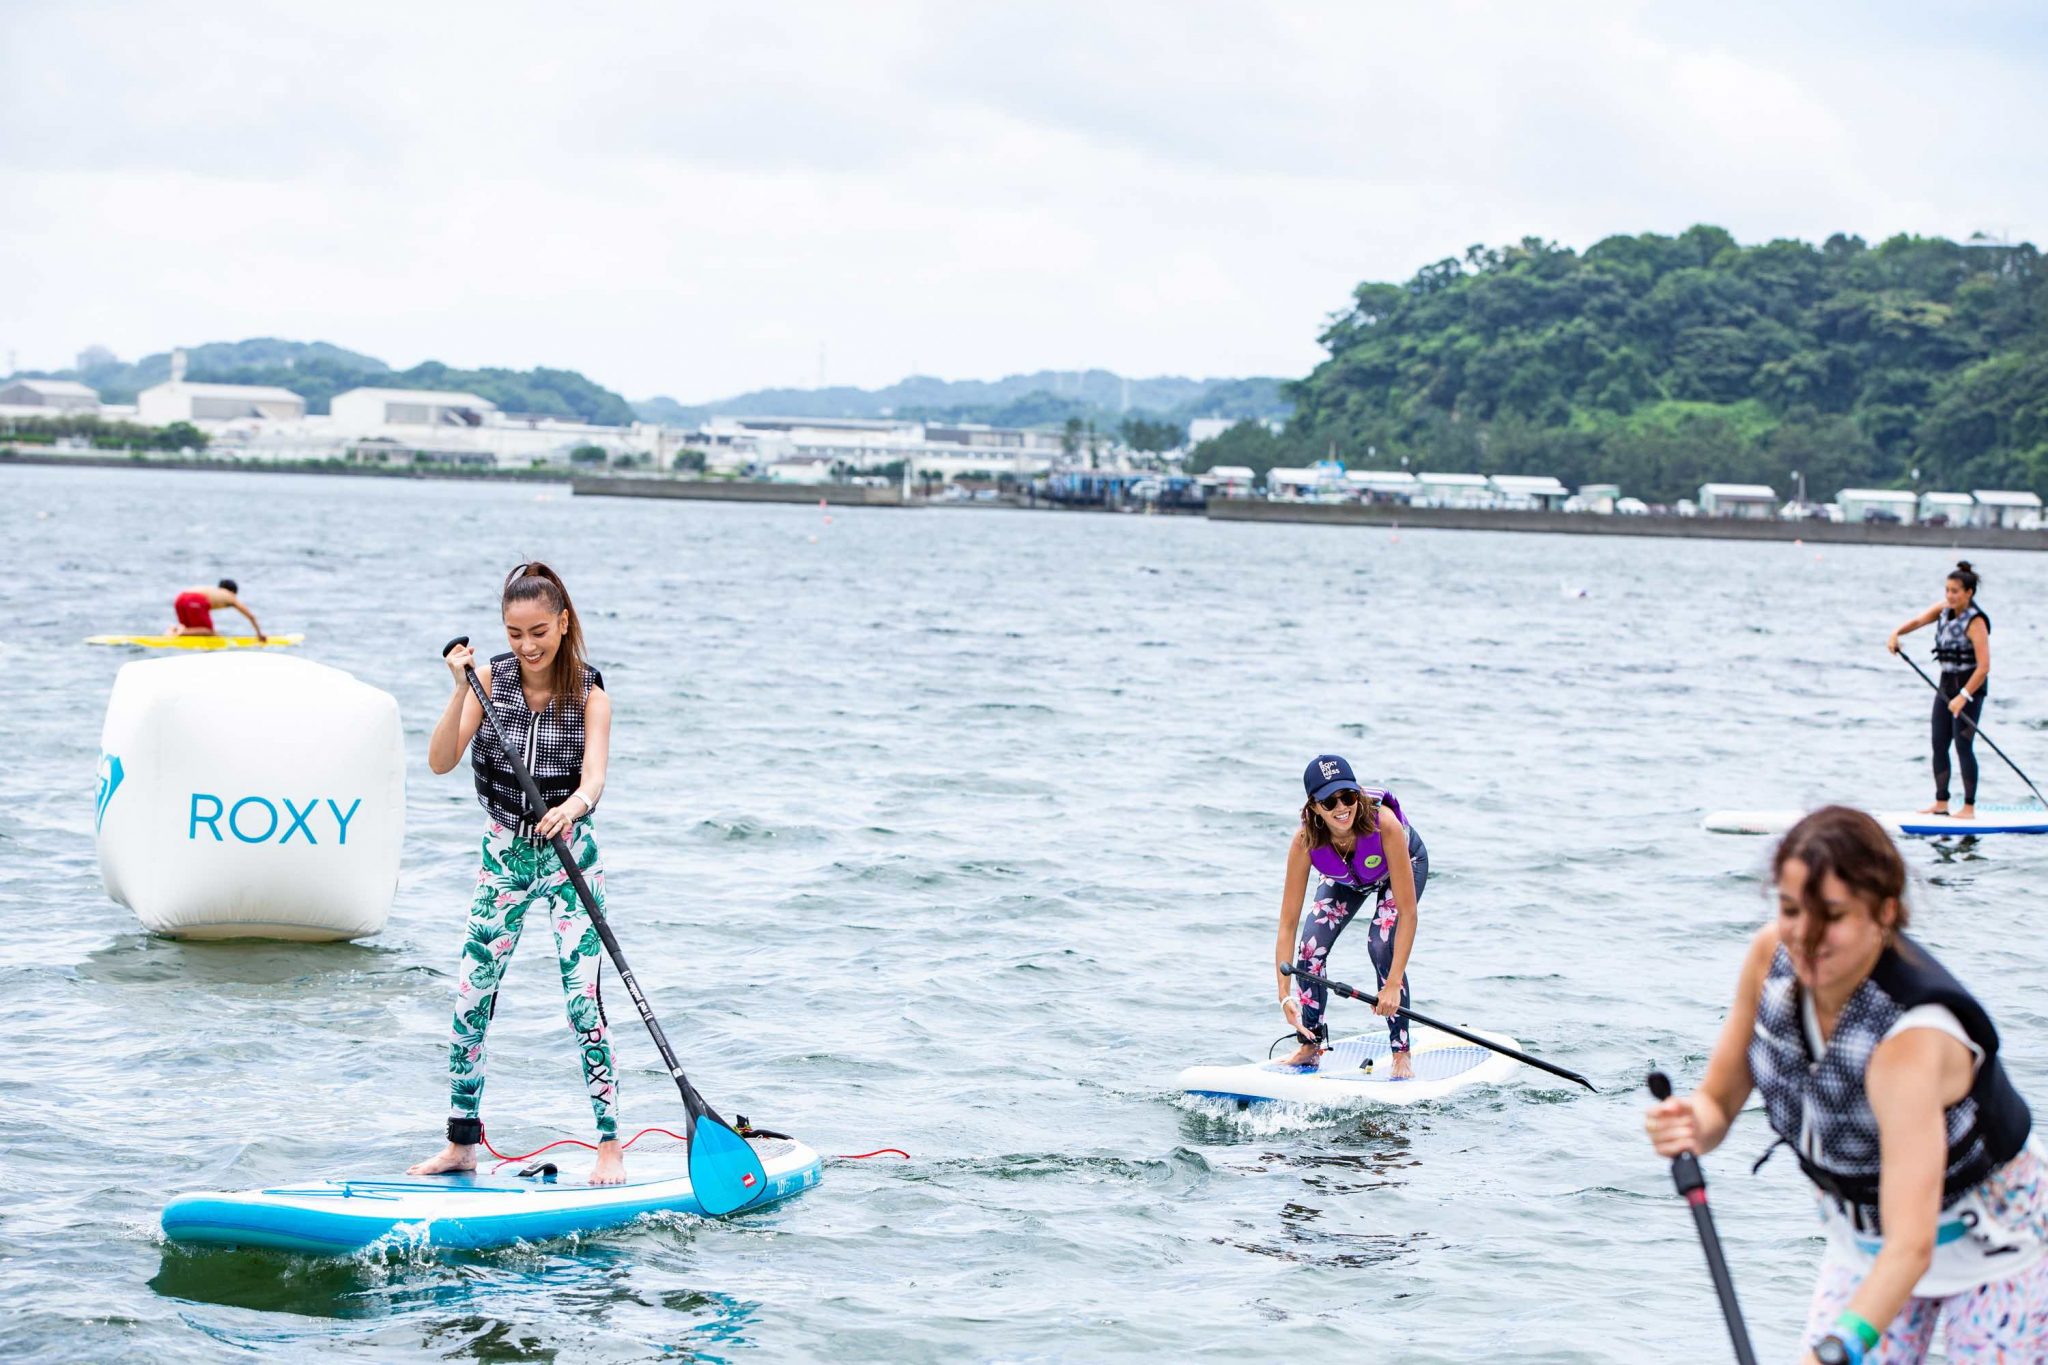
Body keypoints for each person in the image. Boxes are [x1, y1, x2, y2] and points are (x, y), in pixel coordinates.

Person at [1644, 806, 2045, 1364]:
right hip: (1866, 1239)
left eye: (1830, 915)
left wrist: (1834, 1350)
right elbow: (1716, 1105)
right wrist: (1690, 1124)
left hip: (1995, 1245)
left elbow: (1912, 1246)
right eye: (1789, 909)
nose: (1804, 937)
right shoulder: (1770, 957)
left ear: (1884, 913)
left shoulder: (1908, 1041)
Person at [408, 561, 624, 1184]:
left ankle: (609, 1144)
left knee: (584, 1002)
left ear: (562, 623)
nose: (527, 646)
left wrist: (572, 807)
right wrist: (459, 687)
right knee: (471, 998)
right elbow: (441, 761)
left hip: (568, 858)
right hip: (503, 855)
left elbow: (595, 780)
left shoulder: (591, 693)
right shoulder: (487, 683)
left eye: (538, 631)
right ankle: (461, 1145)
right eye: (513, 633)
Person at [1273, 754, 1425, 1077]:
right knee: (1310, 949)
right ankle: (1310, 1044)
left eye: (1348, 796)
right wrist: (1284, 995)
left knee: (1381, 944)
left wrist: (1393, 984)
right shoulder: (1305, 843)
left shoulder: (1384, 825)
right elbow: (1288, 924)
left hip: (1401, 866)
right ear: (1314, 807)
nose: (1342, 807)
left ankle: (1401, 1053)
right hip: (1347, 877)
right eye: (1330, 801)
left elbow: (1409, 915)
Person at [1888, 562, 1990, 819]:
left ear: (1969, 593)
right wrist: (1896, 633)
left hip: (1970, 688)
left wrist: (1963, 697)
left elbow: (1984, 667)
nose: (1949, 595)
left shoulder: (1976, 622)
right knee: (1939, 743)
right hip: (1946, 684)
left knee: (1963, 745)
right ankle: (1941, 802)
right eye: (1947, 590)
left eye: (1955, 591)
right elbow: (1918, 620)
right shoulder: (1944, 610)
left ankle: (1968, 807)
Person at [168, 579, 265, 640]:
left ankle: (174, 629)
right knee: (208, 631)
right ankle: (181, 632)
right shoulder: (230, 596)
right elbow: (251, 616)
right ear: (233, 591)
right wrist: (259, 634)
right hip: (195, 599)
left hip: (180, 598)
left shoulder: (213, 592)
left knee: (192, 628)